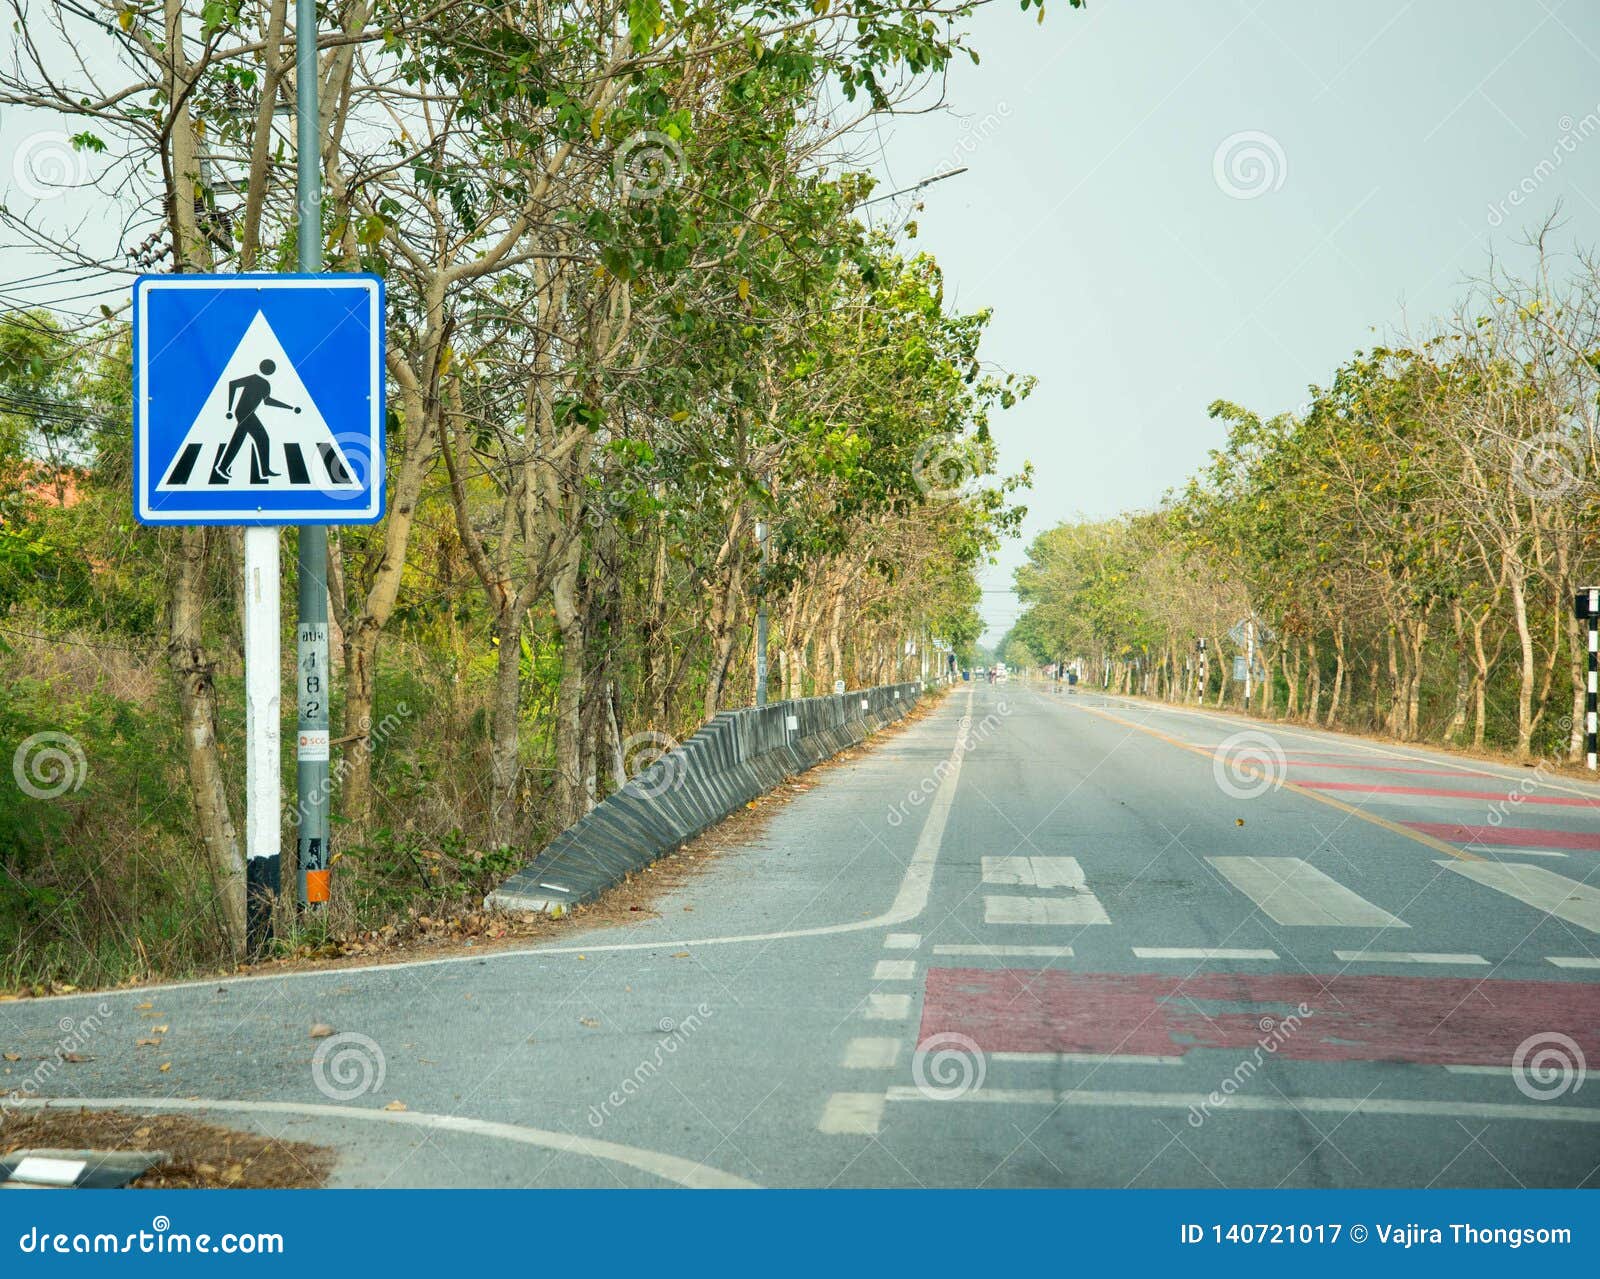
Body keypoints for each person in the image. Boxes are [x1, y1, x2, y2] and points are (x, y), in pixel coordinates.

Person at [212, 358, 299, 484]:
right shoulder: (254, 378)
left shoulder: (265, 384)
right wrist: (229, 408)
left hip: (247, 413)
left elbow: (267, 401)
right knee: (262, 438)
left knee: (239, 439)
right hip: (243, 413)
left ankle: (223, 467)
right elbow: (232, 384)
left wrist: (289, 407)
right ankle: (264, 470)